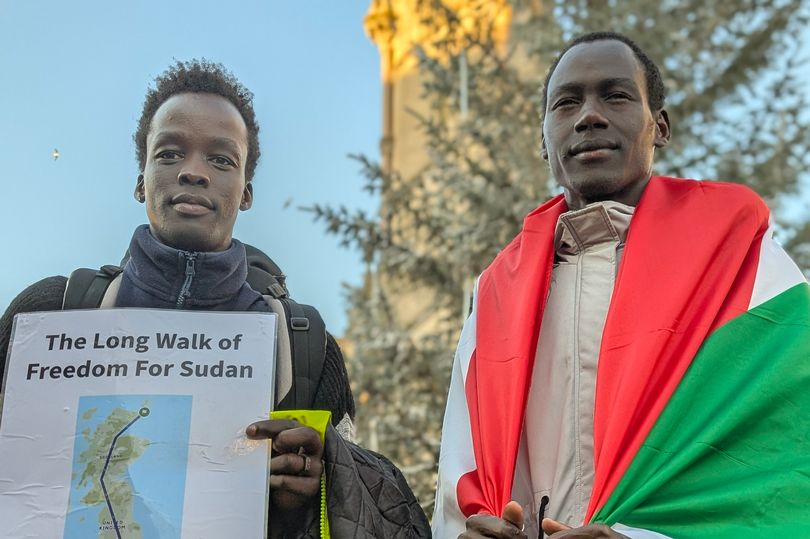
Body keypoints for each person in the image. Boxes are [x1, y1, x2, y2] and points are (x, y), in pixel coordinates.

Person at [0, 60, 430, 538]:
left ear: (245, 191)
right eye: (168, 154)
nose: (193, 172)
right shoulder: (47, 315)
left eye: (221, 159)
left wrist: (309, 495)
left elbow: (358, 515)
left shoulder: (304, 348)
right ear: (141, 179)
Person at [433, 32, 810, 538]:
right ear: (544, 141)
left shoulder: (745, 263)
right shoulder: (495, 296)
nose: (589, 115)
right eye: (566, 103)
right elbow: (463, 484)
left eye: (616, 95)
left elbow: (783, 466)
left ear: (660, 127)